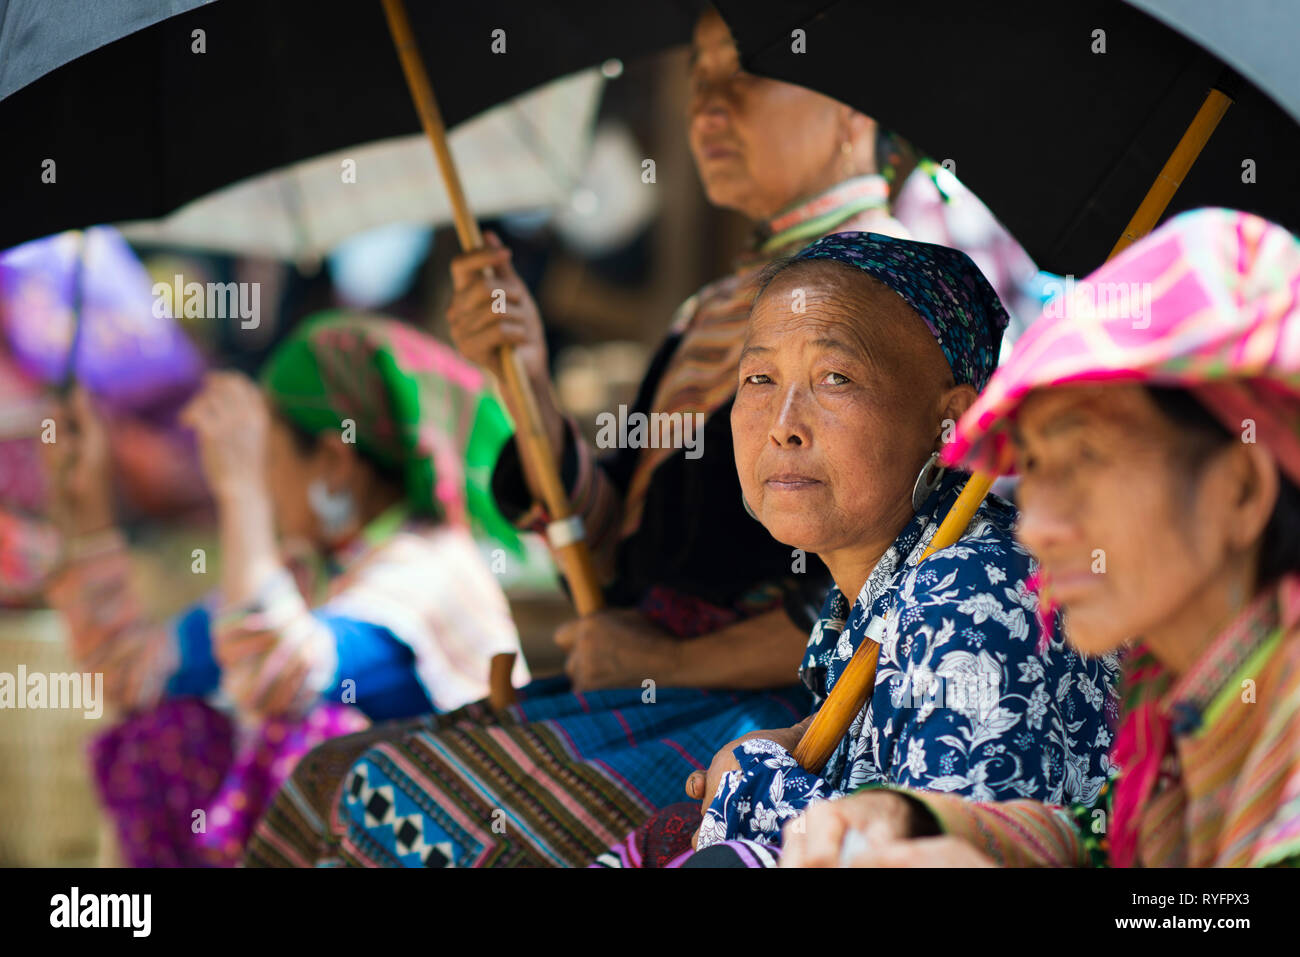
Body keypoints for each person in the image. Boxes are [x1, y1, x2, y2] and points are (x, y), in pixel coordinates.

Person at [245, 7, 920, 868]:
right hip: (654, 685)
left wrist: (672, 659)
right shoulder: (711, 313)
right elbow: (615, 548)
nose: (707, 106)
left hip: (780, 719)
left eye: (742, 74)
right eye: (699, 78)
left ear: (853, 105)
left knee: (385, 800)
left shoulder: (897, 296)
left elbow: (893, 600)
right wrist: (521, 379)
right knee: (325, 775)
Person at [780, 208, 1300, 868]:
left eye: (1084, 461)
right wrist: (909, 813)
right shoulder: (1180, 700)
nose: (1036, 527)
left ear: (1241, 491)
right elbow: (1110, 841)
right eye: (1035, 469)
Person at [598, 230, 1119, 867]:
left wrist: (751, 775)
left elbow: (940, 856)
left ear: (951, 420)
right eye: (759, 377)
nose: (783, 422)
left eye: (835, 377)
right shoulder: (872, 592)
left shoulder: (971, 595)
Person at [42, 311, 526, 865]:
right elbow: (136, 676)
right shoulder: (307, 572)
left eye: (265, 456)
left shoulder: (432, 569)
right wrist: (87, 514)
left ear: (334, 463)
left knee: (304, 737)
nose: (260, 479)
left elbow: (277, 676)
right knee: (170, 732)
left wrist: (241, 496)